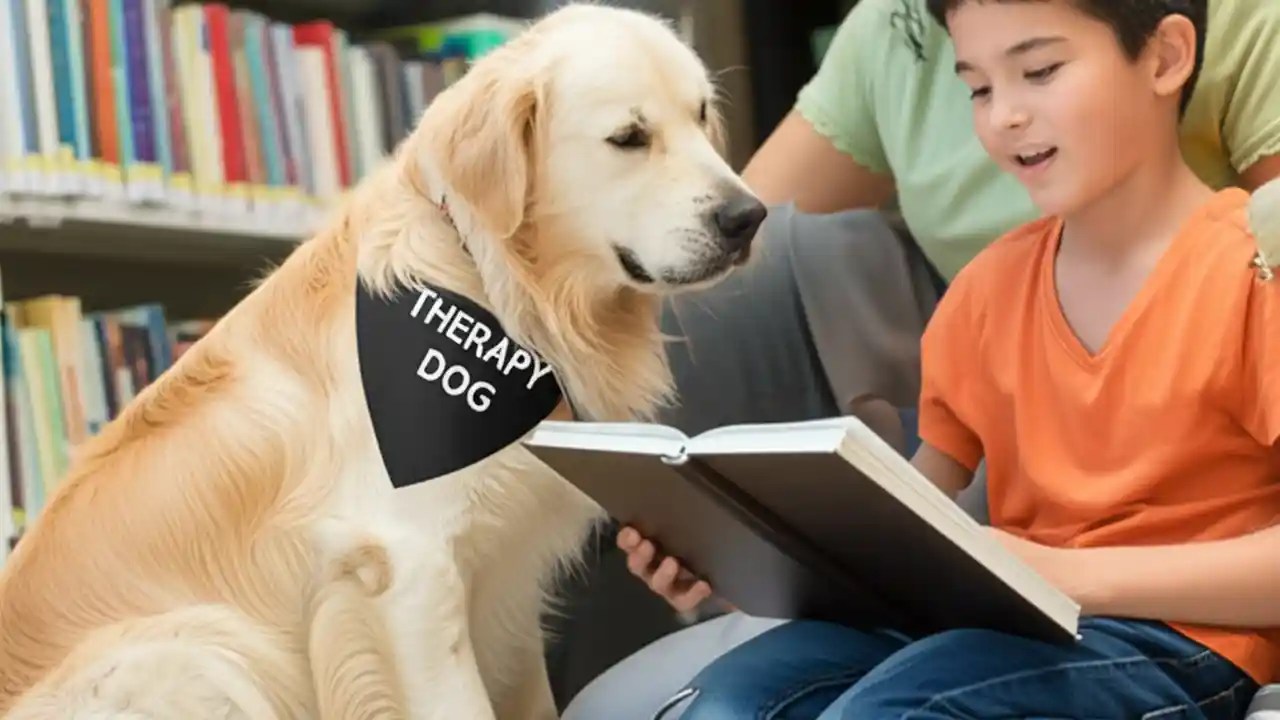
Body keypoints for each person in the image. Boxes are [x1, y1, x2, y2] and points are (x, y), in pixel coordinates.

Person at [559, 0, 1280, 716]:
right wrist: (739, 560)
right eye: (980, 88)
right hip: (1013, 623)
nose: (1005, 116)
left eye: (1040, 71)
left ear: (1165, 58)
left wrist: (1069, 575)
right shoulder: (987, 291)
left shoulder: (1254, 273)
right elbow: (912, 523)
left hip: (1181, 640)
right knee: (728, 705)